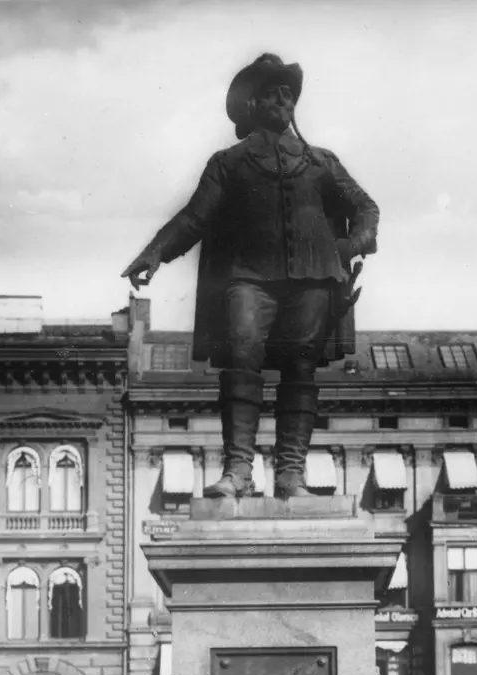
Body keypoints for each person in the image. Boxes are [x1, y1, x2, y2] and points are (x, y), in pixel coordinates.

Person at [122, 53, 379, 500]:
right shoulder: (230, 163)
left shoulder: (321, 163)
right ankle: (238, 470)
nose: (284, 100)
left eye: (288, 93)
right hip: (247, 279)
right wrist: (155, 252)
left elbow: (366, 208)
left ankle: (291, 474)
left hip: (314, 280)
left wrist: (352, 244)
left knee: (301, 369)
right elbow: (195, 218)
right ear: (250, 104)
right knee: (241, 360)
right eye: (272, 92)